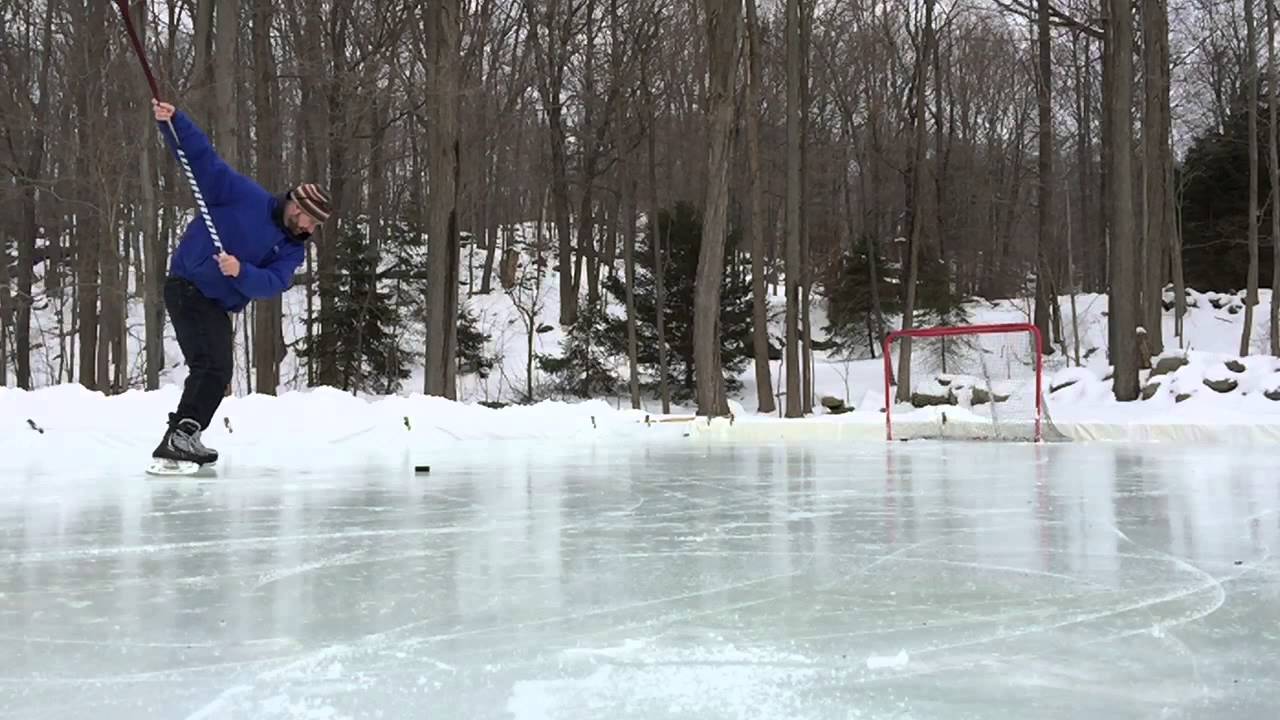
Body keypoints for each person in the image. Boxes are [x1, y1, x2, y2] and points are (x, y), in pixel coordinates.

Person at [150, 99, 334, 466]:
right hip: (188, 284)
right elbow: (202, 162)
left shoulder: (292, 249)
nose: (311, 230)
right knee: (211, 365)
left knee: (218, 369)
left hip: (216, 302)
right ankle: (180, 436)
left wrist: (242, 272)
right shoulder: (242, 196)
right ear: (298, 209)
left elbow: (273, 284)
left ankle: (184, 434)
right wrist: (174, 122)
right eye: (311, 222)